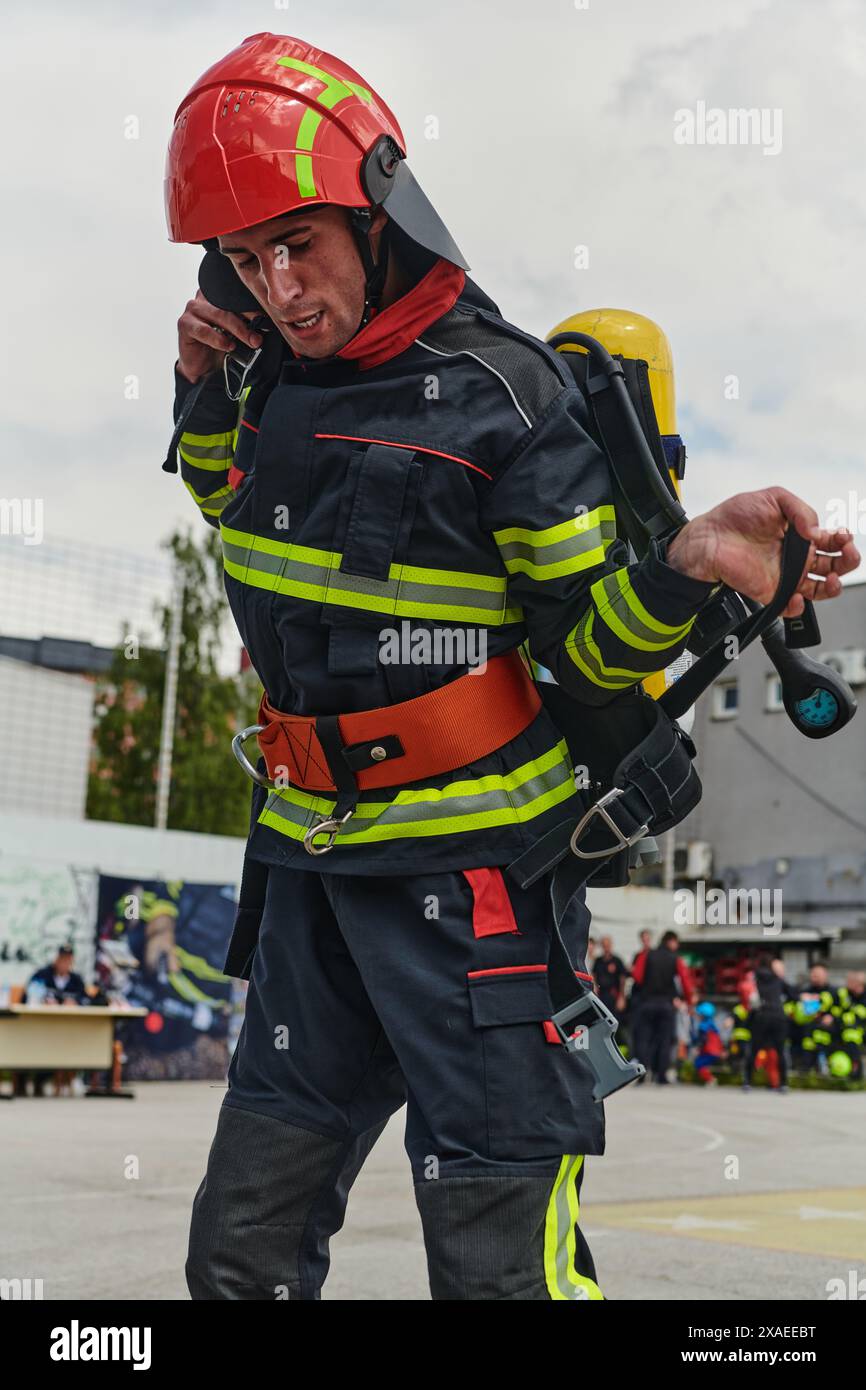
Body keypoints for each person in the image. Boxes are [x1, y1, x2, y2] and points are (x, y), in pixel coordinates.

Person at [164, 32, 858, 1301]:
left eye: (298, 247)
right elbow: (229, 503)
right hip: (311, 882)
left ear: (376, 215)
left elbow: (587, 653)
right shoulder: (264, 384)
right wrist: (201, 383)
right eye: (247, 258)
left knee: (500, 1275)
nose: (278, 287)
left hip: (475, 894)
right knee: (239, 1256)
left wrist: (689, 562)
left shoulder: (508, 401)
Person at [631, 931, 695, 1083]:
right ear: (670, 941)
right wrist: (689, 1001)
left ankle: (642, 1074)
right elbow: (686, 981)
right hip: (666, 1004)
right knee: (664, 1040)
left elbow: (637, 976)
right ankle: (661, 1076)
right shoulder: (676, 959)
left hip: (647, 1003)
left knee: (644, 1039)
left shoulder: (646, 955)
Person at [743, 954, 795, 1092]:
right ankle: (783, 1083)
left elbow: (749, 998)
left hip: (761, 1016)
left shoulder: (754, 977)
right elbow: (793, 995)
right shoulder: (778, 979)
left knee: (753, 1050)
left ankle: (747, 1082)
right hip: (778, 1016)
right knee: (780, 1051)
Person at [592, 937, 628, 1020]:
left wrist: (622, 997)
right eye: (604, 945)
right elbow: (594, 976)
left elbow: (622, 978)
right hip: (601, 995)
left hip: (613, 995)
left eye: (607, 945)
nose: (606, 947)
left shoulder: (617, 960)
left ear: (611, 946)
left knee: (614, 1019)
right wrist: (595, 990)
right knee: (602, 1018)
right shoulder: (598, 961)